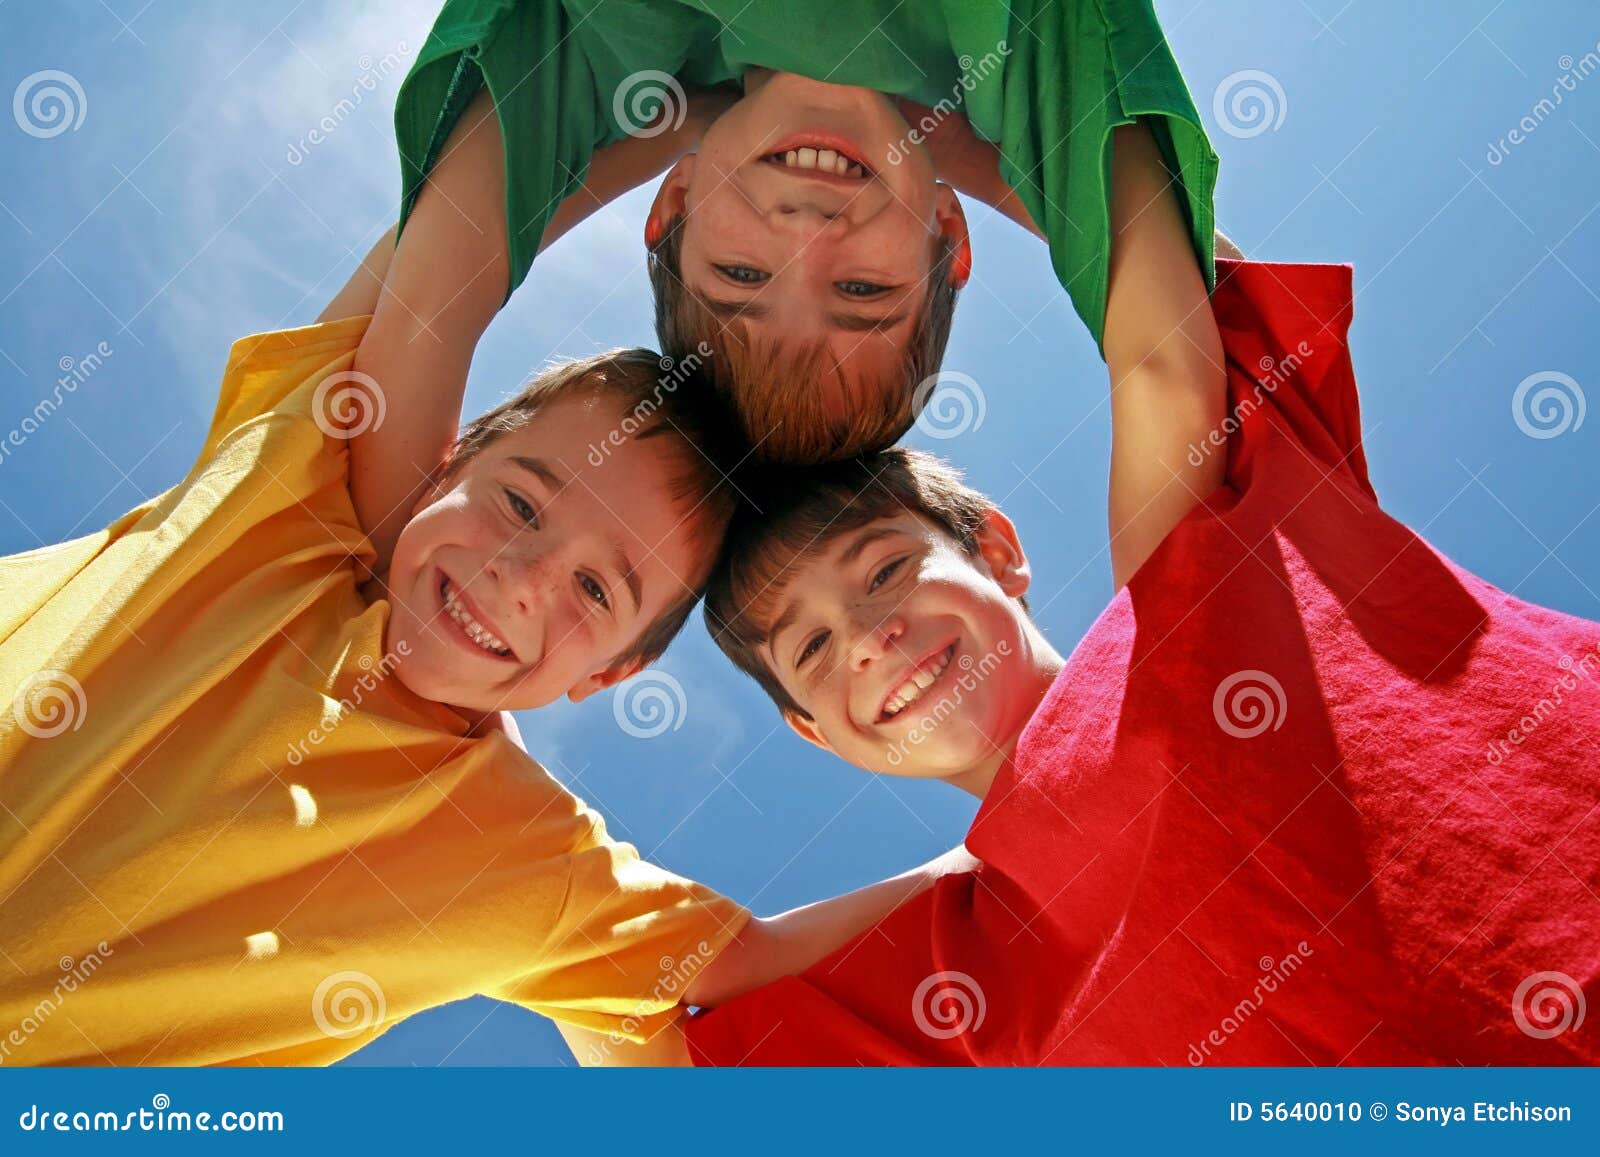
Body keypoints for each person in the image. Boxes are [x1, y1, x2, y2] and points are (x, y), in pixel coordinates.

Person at [0, 107, 966, 1068]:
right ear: (445, 464)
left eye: (596, 590)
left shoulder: (514, 853)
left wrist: (1053, 804)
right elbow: (463, 224)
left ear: (612, 672)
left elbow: (751, 960)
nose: (519, 576)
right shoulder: (279, 521)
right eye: (517, 503)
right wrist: (711, 108)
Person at [682, 127, 1600, 1066]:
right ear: (813, 731)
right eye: (811, 651)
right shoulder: (950, 976)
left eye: (883, 569)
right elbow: (648, 982)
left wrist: (927, 131)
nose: (868, 639)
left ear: (997, 551)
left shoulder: (1200, 582)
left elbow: (1164, 331)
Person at [386, 0, 1218, 471]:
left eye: (743, 273)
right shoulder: (1018, 50)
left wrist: (678, 123)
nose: (809, 234)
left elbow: (417, 311)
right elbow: (1175, 363)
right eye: (861, 292)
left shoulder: (618, 32)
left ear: (675, 203)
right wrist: (968, 155)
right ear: (949, 236)